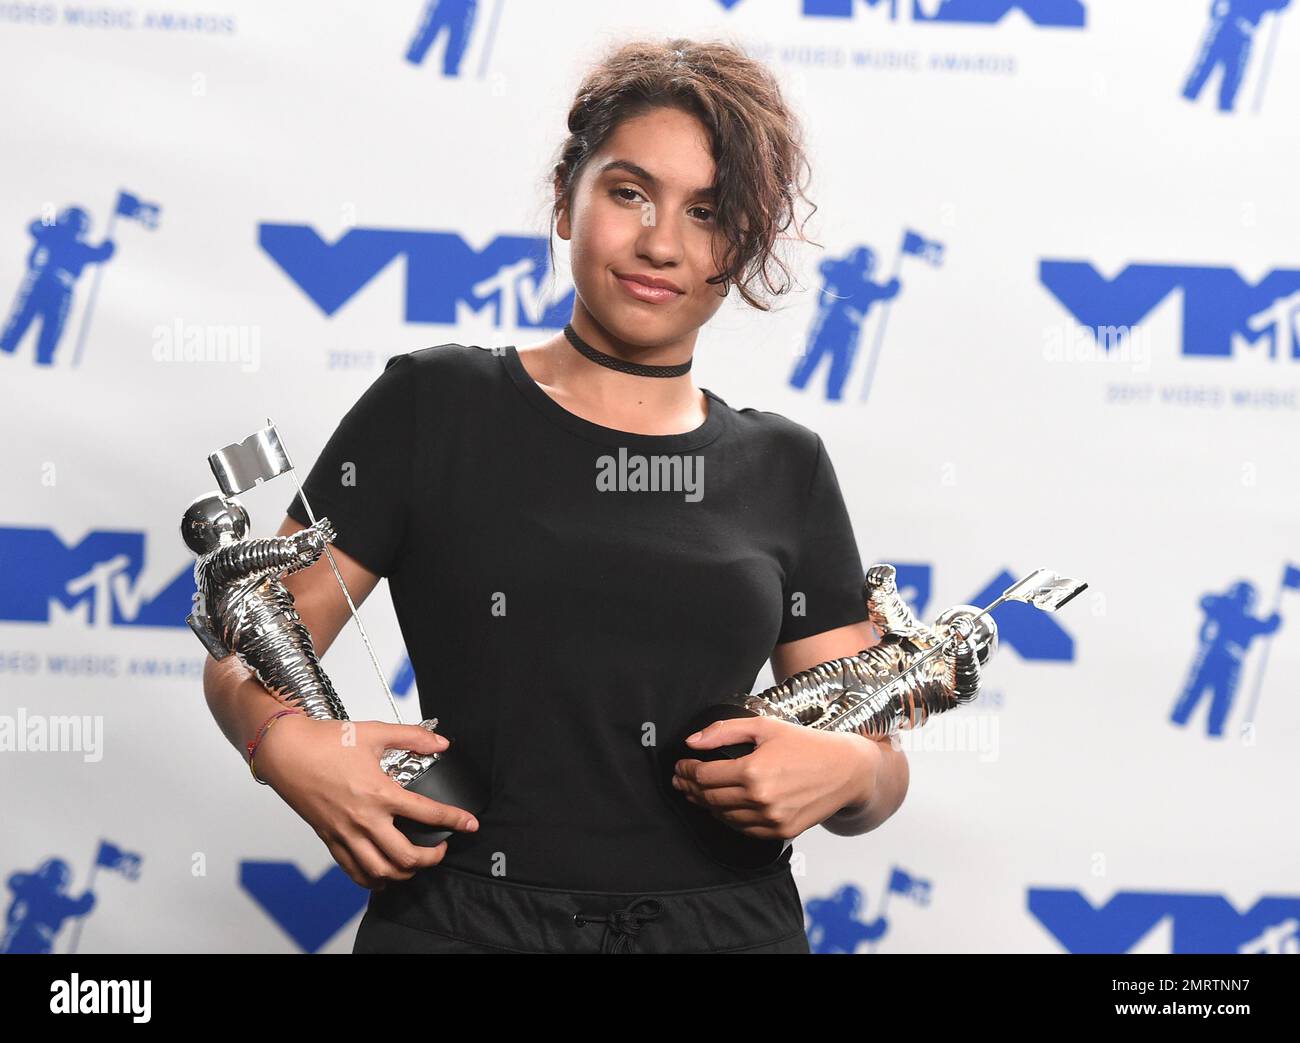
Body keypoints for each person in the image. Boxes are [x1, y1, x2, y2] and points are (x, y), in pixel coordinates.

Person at [202, 37, 910, 954]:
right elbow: (243, 646)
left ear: (738, 248)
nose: (661, 241)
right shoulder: (434, 404)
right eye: (629, 192)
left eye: (706, 212)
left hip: (726, 928)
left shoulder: (788, 465)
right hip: (462, 923)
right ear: (566, 200)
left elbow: (877, 763)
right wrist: (280, 746)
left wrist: (850, 769)